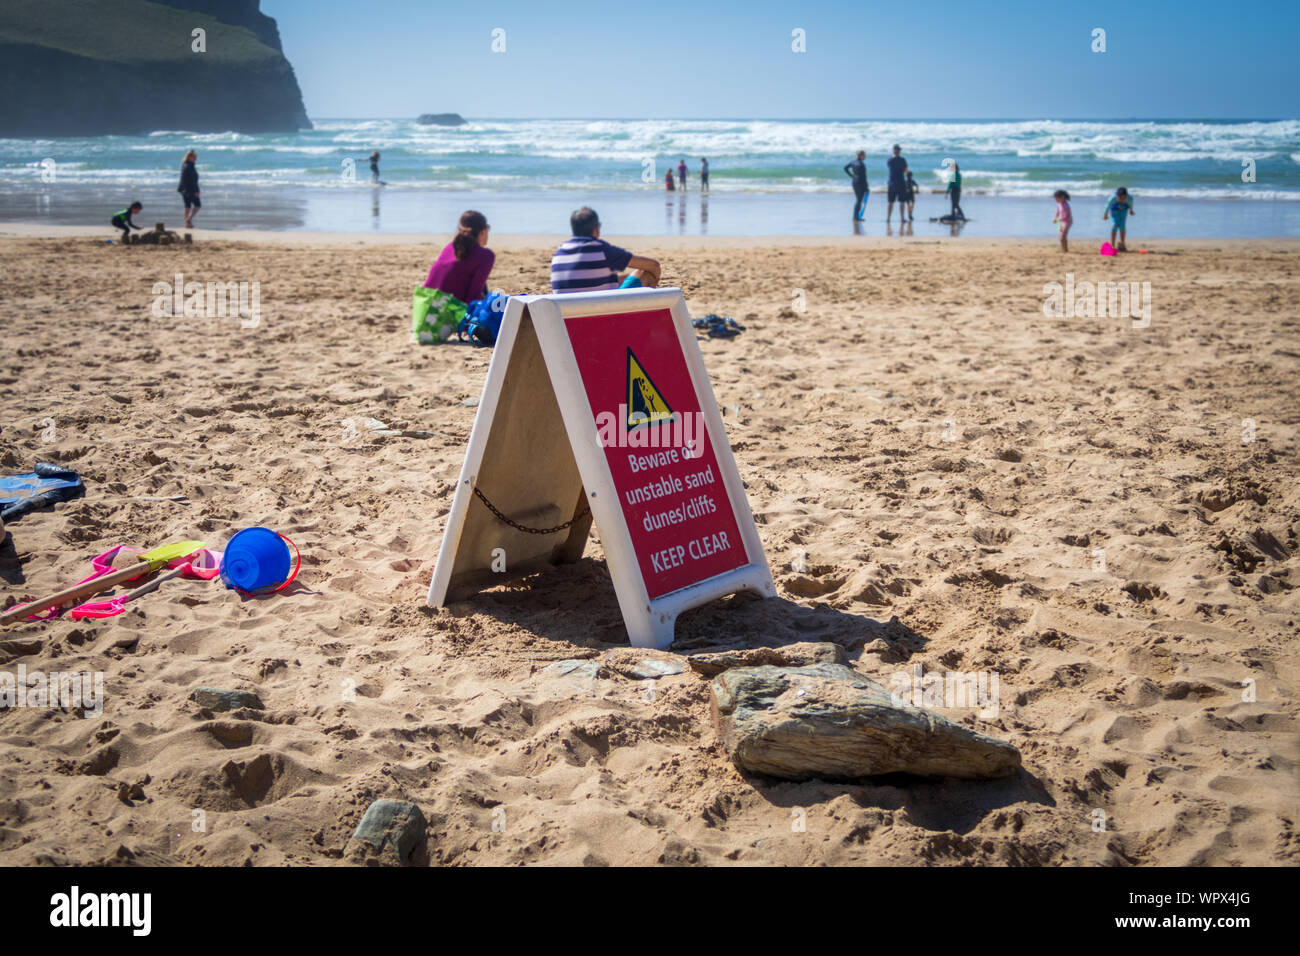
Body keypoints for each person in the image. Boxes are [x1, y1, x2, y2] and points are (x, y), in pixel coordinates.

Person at [550, 206, 661, 293]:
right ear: (597, 228)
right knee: (645, 274)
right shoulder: (601, 249)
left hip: (566, 317)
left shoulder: (558, 254)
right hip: (602, 315)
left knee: (629, 276)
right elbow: (653, 265)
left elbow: (586, 280)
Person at [424, 210, 494, 303]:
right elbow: (473, 297)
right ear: (483, 231)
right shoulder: (486, 255)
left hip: (426, 308)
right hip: (449, 312)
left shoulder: (450, 247)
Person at [886, 144, 908, 225]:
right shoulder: (902, 160)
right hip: (901, 183)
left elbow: (889, 167)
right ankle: (902, 218)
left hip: (891, 183)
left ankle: (888, 218)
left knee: (890, 202)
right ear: (899, 151)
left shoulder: (890, 160)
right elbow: (906, 171)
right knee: (902, 202)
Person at [178, 150, 200, 229]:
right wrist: (196, 191)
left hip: (183, 189)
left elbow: (183, 179)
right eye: (194, 157)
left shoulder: (184, 165)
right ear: (190, 157)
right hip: (190, 189)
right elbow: (193, 180)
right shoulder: (190, 166)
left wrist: (180, 189)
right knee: (197, 205)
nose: (196, 159)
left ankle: (187, 224)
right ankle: (188, 220)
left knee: (187, 206)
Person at [844, 150, 868, 221]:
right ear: (861, 156)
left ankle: (855, 216)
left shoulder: (853, 162)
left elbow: (845, 168)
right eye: (864, 155)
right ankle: (855, 217)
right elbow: (863, 176)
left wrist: (851, 175)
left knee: (858, 200)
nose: (865, 157)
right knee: (859, 200)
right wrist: (866, 186)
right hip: (860, 183)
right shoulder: (861, 164)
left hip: (854, 182)